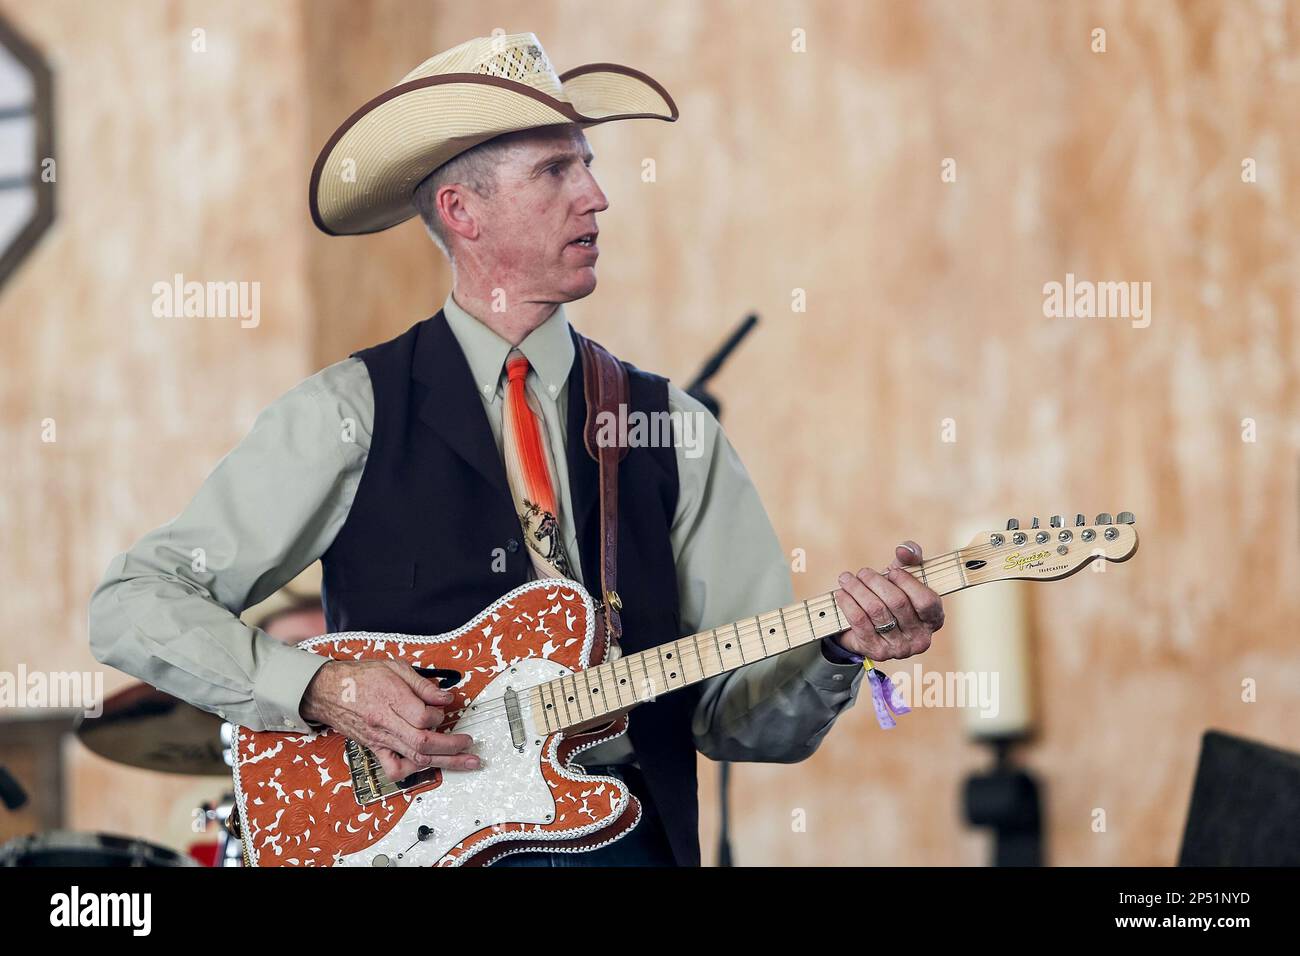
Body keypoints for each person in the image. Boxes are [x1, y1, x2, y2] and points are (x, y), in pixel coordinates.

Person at [89, 33, 944, 866]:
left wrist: (840, 648)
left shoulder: (671, 428)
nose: (597, 196)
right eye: (556, 169)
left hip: (626, 839)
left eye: (589, 163)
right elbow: (130, 603)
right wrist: (319, 689)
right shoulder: (346, 411)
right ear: (462, 211)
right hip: (416, 849)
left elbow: (739, 722)